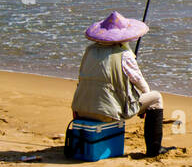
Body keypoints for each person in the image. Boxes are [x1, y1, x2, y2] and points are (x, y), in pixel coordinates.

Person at [71, 11, 165, 156]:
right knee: (156, 98)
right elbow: (142, 84)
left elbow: (82, 81)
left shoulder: (89, 51)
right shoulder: (125, 55)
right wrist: (145, 108)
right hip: (107, 113)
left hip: (81, 110)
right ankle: (154, 149)